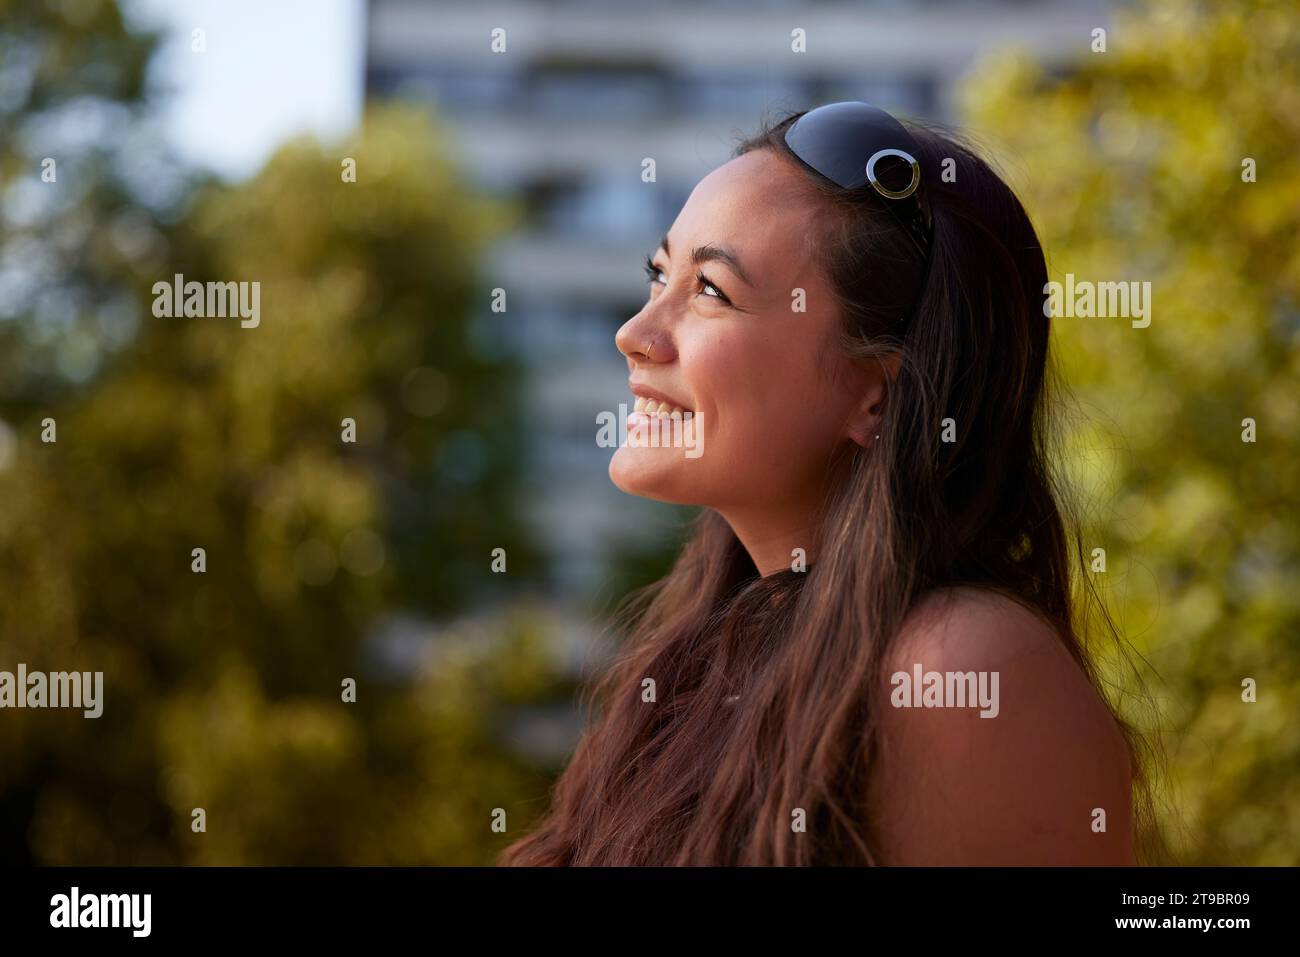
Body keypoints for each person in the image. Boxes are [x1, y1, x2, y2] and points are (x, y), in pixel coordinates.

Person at [501, 103, 1153, 866]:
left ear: (874, 395)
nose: (636, 333)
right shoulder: (701, 662)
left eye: (711, 289)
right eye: (659, 274)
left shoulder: (964, 671)